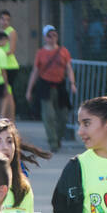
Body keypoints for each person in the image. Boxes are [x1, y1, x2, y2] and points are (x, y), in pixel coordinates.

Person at [25, 25, 76, 154]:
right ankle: (53, 142)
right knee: (49, 115)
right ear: (45, 38)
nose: (52, 38)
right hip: (45, 86)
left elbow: (69, 68)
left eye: (54, 35)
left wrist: (72, 83)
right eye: (49, 35)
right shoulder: (41, 53)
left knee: (63, 116)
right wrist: (29, 90)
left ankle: (57, 138)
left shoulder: (63, 51)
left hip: (60, 86)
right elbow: (35, 71)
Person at [0, 11, 20, 119]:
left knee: (8, 92)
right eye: (3, 19)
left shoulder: (11, 32)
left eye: (7, 19)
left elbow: (11, 50)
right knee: (6, 93)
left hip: (10, 66)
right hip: (1, 65)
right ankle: (7, 119)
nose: (5, 22)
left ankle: (11, 119)